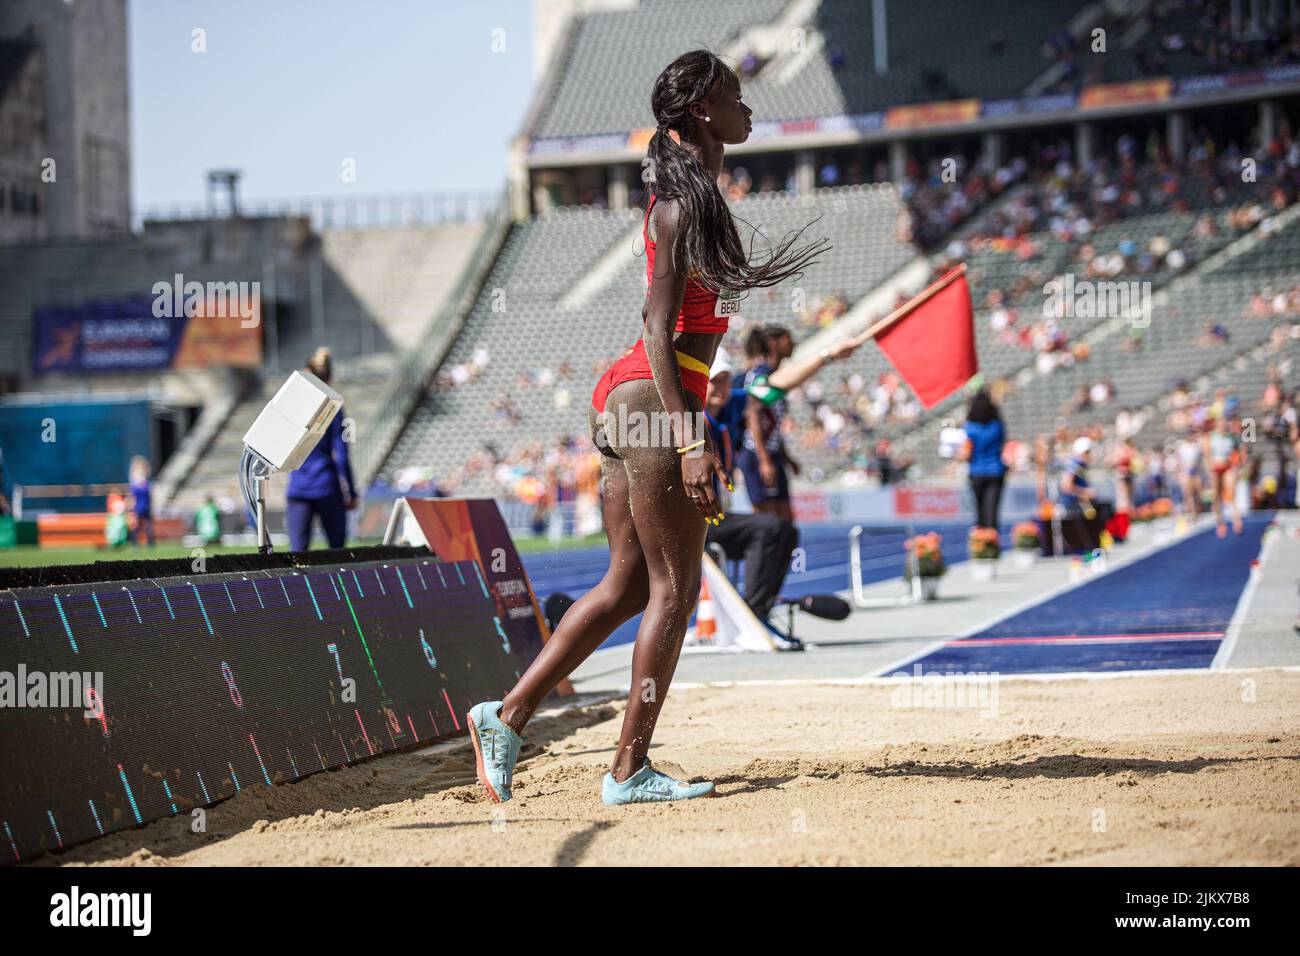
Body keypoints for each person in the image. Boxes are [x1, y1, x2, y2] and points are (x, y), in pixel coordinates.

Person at [464, 50, 827, 806]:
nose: (747, 107)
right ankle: (628, 768)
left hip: (637, 401)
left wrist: (702, 389)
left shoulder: (691, 196)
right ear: (701, 109)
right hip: (653, 407)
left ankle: (505, 716)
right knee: (677, 585)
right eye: (734, 94)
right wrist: (691, 439)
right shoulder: (680, 204)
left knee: (630, 586)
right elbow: (657, 330)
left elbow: (681, 337)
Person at [701, 351, 801, 648]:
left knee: (787, 529)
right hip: (691, 521)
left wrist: (828, 355)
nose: (722, 389)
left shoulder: (730, 408)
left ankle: (758, 610)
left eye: (726, 382)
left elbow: (775, 388)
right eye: (714, 382)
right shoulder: (688, 420)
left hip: (714, 516)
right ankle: (751, 613)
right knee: (769, 527)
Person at [285, 347, 358, 551]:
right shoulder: (334, 408)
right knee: (337, 554)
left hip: (298, 487)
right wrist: (351, 491)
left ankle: (297, 585)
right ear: (330, 377)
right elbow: (342, 455)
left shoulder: (294, 406)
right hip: (327, 487)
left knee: (297, 556)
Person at [737, 325, 799, 521]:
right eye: (788, 339)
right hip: (757, 454)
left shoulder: (772, 374)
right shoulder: (761, 375)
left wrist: (785, 457)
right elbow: (752, 415)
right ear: (773, 343)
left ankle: (785, 553)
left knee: (785, 519)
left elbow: (771, 422)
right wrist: (764, 459)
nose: (793, 344)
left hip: (771, 454)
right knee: (766, 520)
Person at [961, 389, 1007, 531]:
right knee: (992, 511)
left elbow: (967, 453)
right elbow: (1001, 445)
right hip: (996, 471)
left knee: (980, 511)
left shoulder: (970, 427)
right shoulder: (997, 425)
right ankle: (992, 541)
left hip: (977, 472)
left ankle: (982, 543)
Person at [1203, 416, 1244, 536]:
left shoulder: (1230, 437)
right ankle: (1220, 522)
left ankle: (1237, 520)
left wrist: (1237, 467)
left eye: (1224, 423)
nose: (1222, 425)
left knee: (1231, 493)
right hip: (1215, 468)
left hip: (1227, 467)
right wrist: (1210, 469)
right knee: (1216, 496)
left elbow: (1236, 453)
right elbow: (1207, 454)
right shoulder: (1210, 437)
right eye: (1220, 423)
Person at [128, 456, 155, 546]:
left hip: (145, 506)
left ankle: (149, 542)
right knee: (139, 526)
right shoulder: (136, 484)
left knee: (148, 525)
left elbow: (149, 495)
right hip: (139, 506)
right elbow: (133, 497)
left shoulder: (144, 483)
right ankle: (135, 542)